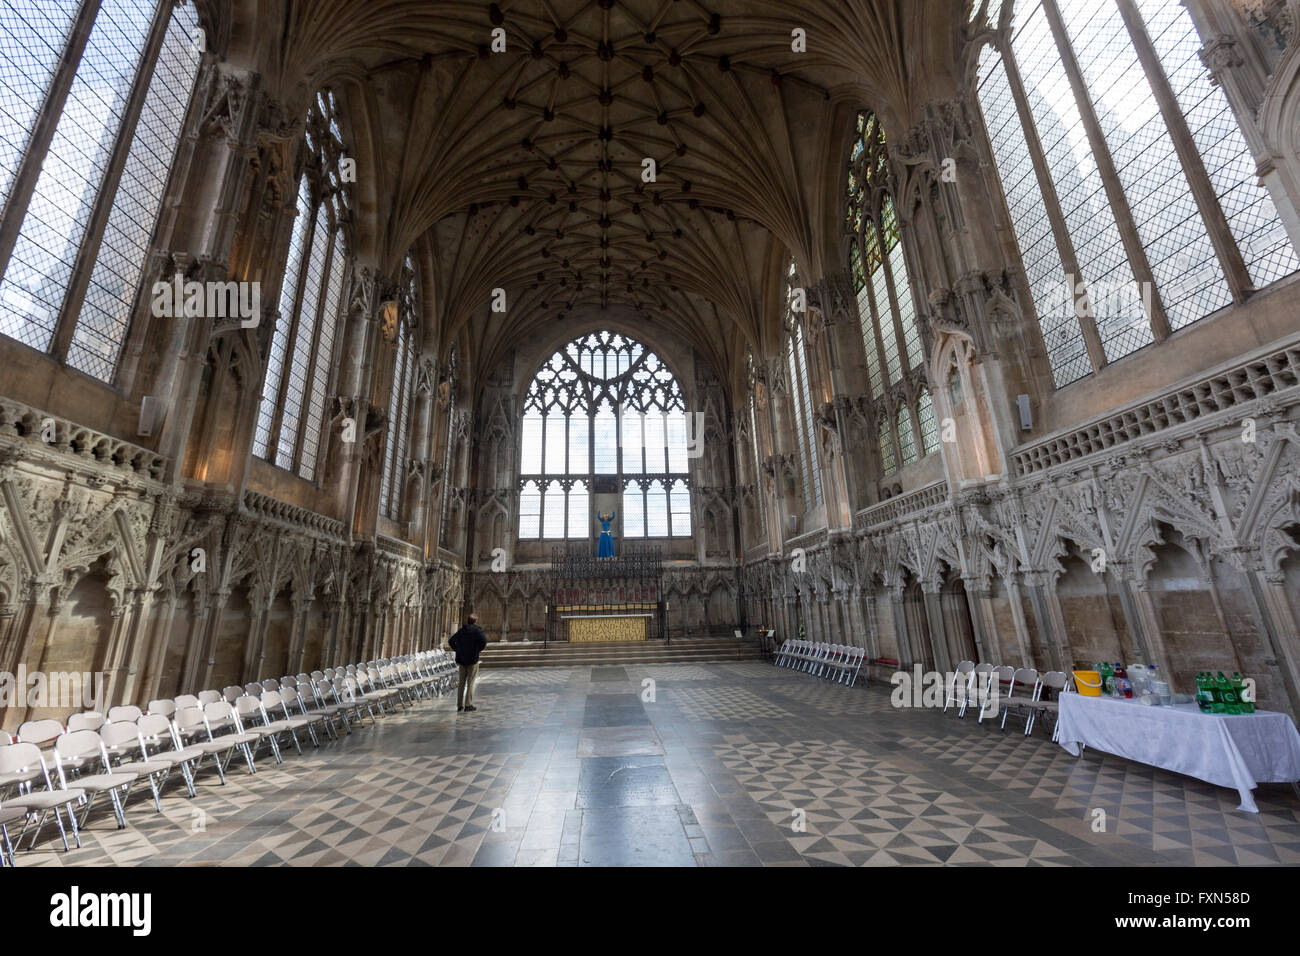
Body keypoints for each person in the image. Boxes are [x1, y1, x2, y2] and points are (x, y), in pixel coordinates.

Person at [447, 613, 488, 713]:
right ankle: (468, 704)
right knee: (470, 682)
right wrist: (477, 650)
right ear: (475, 621)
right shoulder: (477, 631)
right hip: (472, 659)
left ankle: (459, 705)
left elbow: (451, 640)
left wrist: (458, 650)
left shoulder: (462, 630)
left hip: (462, 659)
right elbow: (484, 641)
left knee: (461, 683)